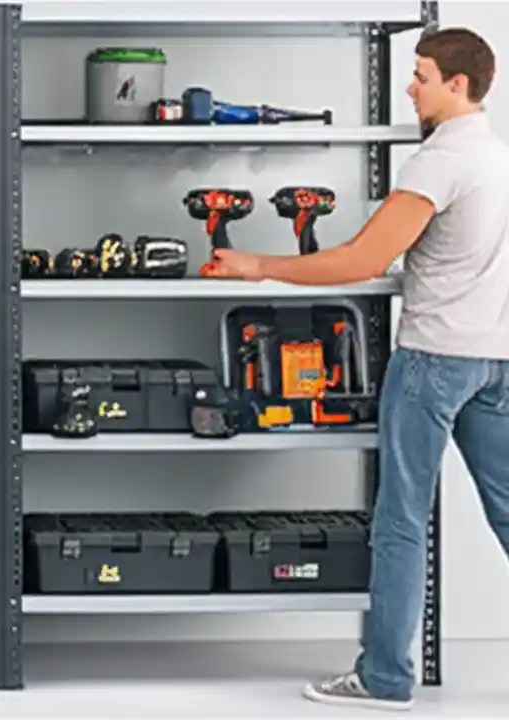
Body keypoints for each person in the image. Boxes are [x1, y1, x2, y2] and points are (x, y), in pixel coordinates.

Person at [205, 27, 508, 712]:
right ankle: (387, 673)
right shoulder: (496, 155)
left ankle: (386, 679)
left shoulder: (442, 159)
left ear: (457, 85)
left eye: (422, 75)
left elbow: (362, 260)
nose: (411, 86)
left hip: (434, 359)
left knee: (401, 519)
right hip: (495, 359)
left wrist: (260, 265)